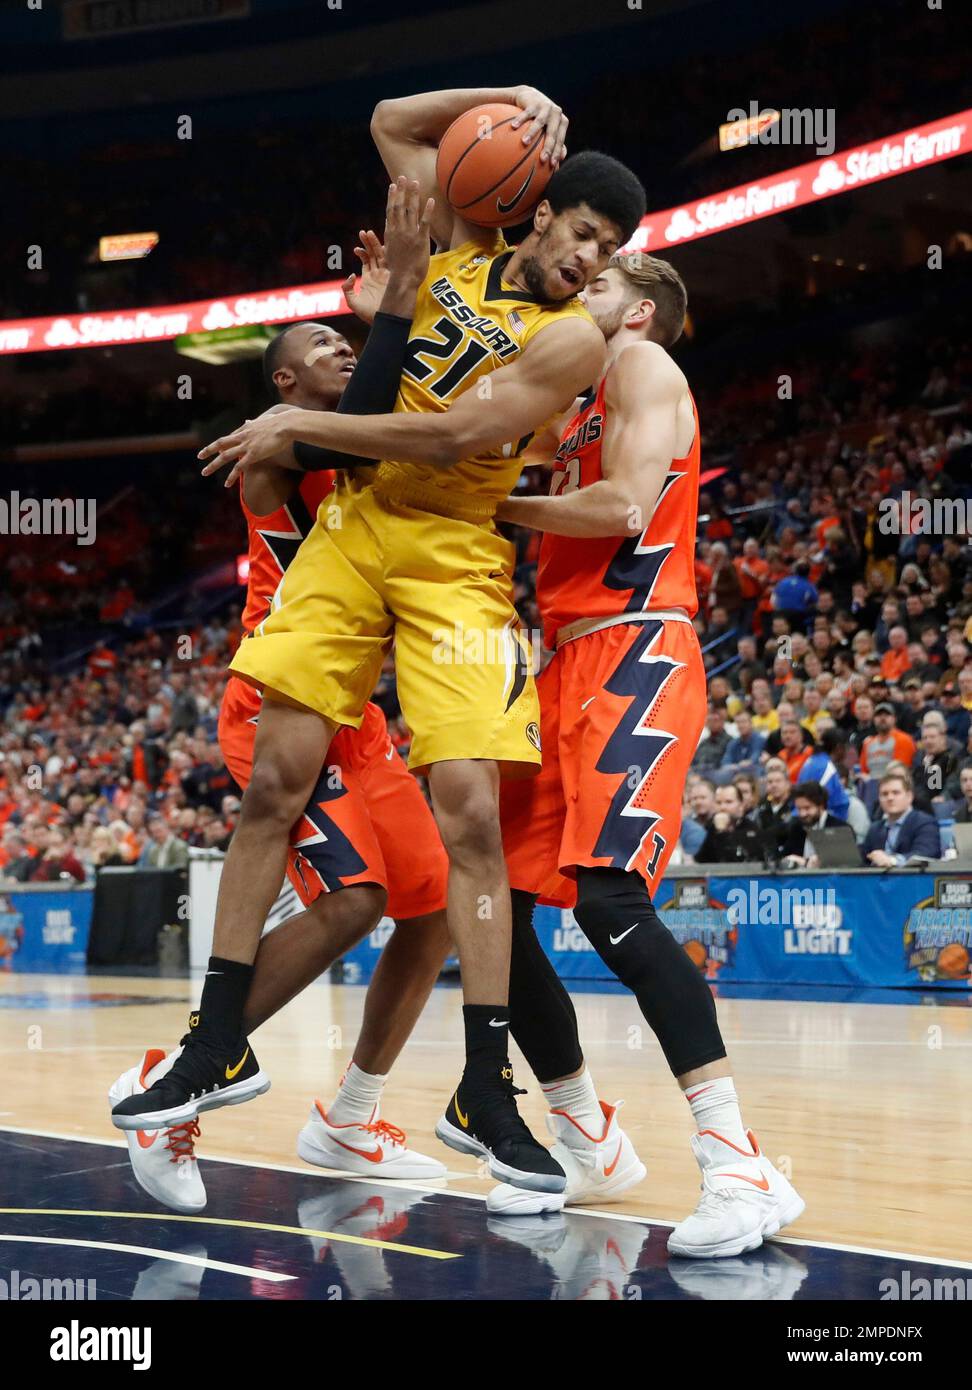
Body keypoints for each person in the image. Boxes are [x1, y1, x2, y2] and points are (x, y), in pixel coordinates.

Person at [148, 85, 646, 1197]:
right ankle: (211, 1039)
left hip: (460, 553)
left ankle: (484, 1086)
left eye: (607, 253)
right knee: (275, 784)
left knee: (467, 810)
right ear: (541, 205)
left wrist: (303, 418)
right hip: (356, 531)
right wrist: (510, 99)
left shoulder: (571, 339)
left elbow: (463, 431)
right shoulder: (467, 235)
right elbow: (387, 121)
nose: (586, 260)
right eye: (580, 232)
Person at [496, 251, 802, 1255]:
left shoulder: (643, 368)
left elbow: (623, 507)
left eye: (597, 284)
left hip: (635, 652)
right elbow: (480, 422)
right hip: (564, 667)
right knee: (488, 904)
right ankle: (587, 1134)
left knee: (610, 900)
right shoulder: (580, 396)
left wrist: (498, 508)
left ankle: (737, 1162)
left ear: (637, 310)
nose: (575, 294)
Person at [861, 767, 942, 865]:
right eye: (884, 794)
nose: (890, 798)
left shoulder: (925, 823)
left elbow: (925, 853)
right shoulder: (875, 829)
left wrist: (892, 861)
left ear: (909, 797)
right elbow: (863, 858)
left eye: (896, 793)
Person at [779, 781, 847, 867]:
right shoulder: (797, 828)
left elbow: (843, 863)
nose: (803, 814)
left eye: (807, 808)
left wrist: (805, 862)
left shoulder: (840, 828)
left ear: (821, 805)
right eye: (799, 809)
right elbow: (785, 857)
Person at [695, 783, 764, 864]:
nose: (722, 807)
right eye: (718, 802)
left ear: (741, 805)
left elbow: (736, 863)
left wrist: (722, 833)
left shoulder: (751, 829)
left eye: (728, 802)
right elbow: (701, 861)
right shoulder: (710, 826)